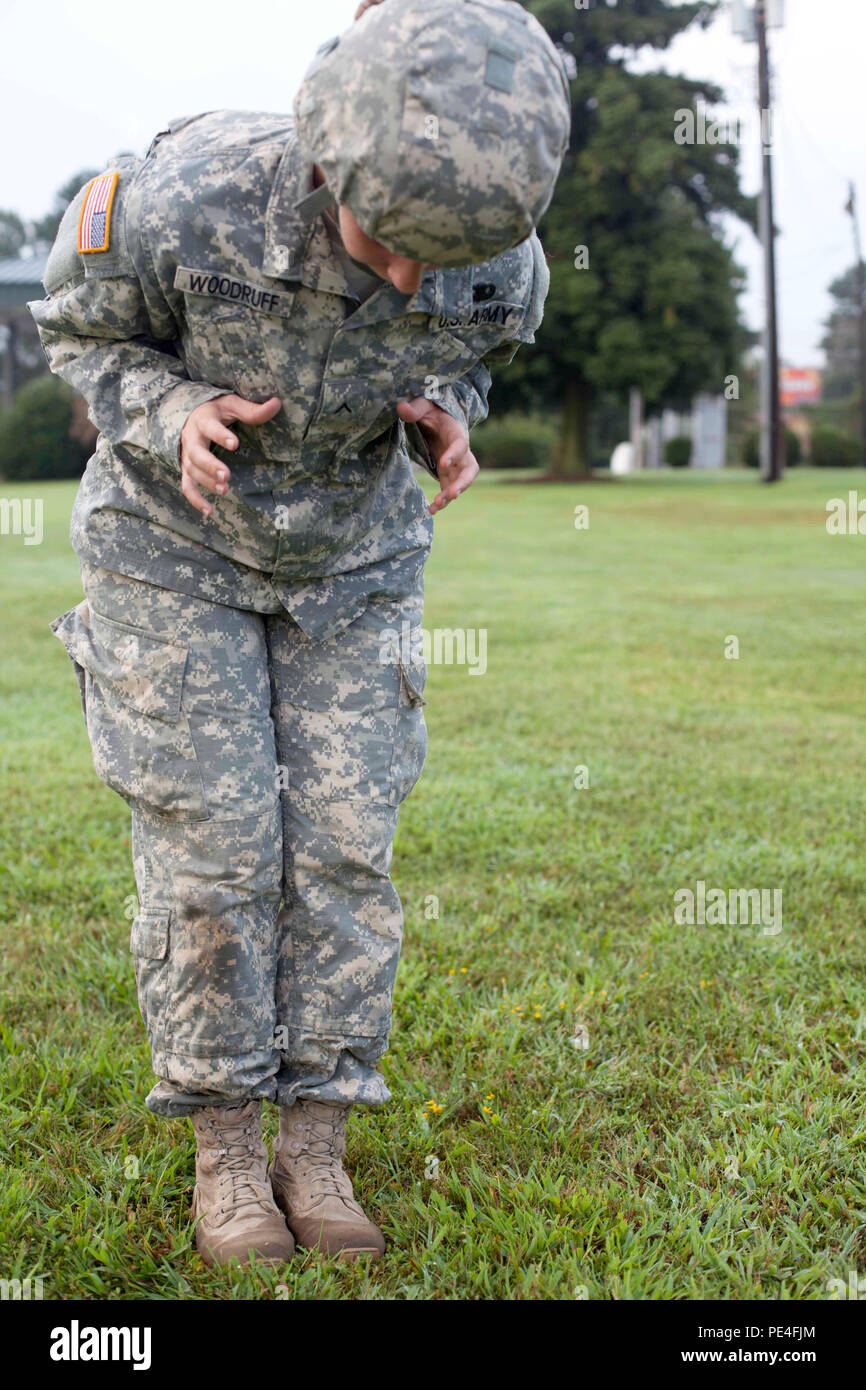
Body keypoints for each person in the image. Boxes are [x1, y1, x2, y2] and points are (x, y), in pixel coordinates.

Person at [29, 0, 570, 1267]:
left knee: (342, 850)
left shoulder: (501, 250)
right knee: (217, 848)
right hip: (175, 550)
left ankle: (315, 1142)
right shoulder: (177, 195)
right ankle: (225, 1151)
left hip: (353, 561)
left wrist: (442, 406)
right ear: (326, 159)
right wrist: (169, 408)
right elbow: (77, 330)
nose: (407, 281)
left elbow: (477, 346)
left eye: (445, 261)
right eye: (387, 241)